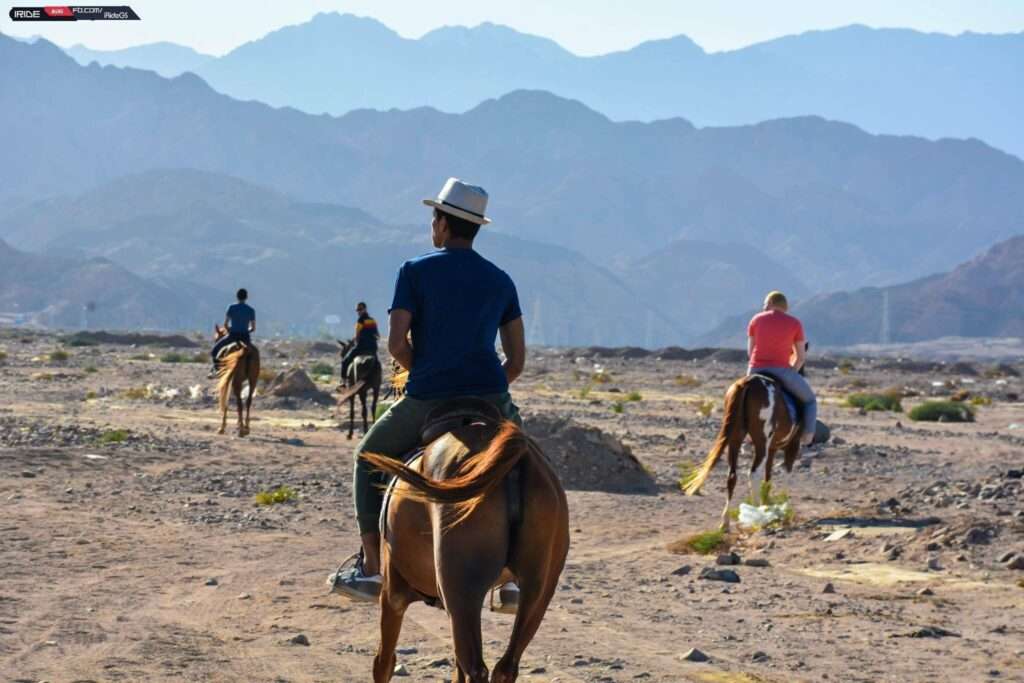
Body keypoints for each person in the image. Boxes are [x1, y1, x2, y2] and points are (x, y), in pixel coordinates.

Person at [332, 177, 526, 603]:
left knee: (367, 456)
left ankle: (370, 567)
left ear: (441, 222)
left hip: (427, 398)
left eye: (433, 217)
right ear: (474, 228)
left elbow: (397, 343)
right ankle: (514, 576)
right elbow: (517, 360)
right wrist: (486, 388)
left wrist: (433, 374)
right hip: (491, 399)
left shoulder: (414, 270)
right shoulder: (501, 280)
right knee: (527, 467)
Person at [747, 291, 816, 446]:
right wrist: (793, 371)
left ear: (771, 303)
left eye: (765, 304)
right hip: (782, 371)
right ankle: (808, 439)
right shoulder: (795, 323)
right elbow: (801, 357)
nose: (764, 308)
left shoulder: (755, 319)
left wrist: (756, 365)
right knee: (810, 400)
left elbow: (750, 352)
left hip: (755, 369)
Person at [210, 288, 256, 377]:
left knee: (215, 350)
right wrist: (247, 330)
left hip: (233, 336)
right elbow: (253, 328)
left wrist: (231, 329)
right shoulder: (251, 310)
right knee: (253, 354)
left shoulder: (231, 307)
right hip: (245, 337)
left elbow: (226, 325)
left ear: (237, 297)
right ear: (246, 297)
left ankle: (216, 369)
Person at [340, 302, 380, 385]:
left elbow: (357, 336)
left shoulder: (360, 321)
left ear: (365, 309)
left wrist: (356, 342)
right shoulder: (372, 321)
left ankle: (343, 383)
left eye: (360, 309)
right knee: (377, 363)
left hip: (362, 347)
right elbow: (377, 335)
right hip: (373, 347)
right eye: (357, 310)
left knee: (345, 361)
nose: (358, 312)